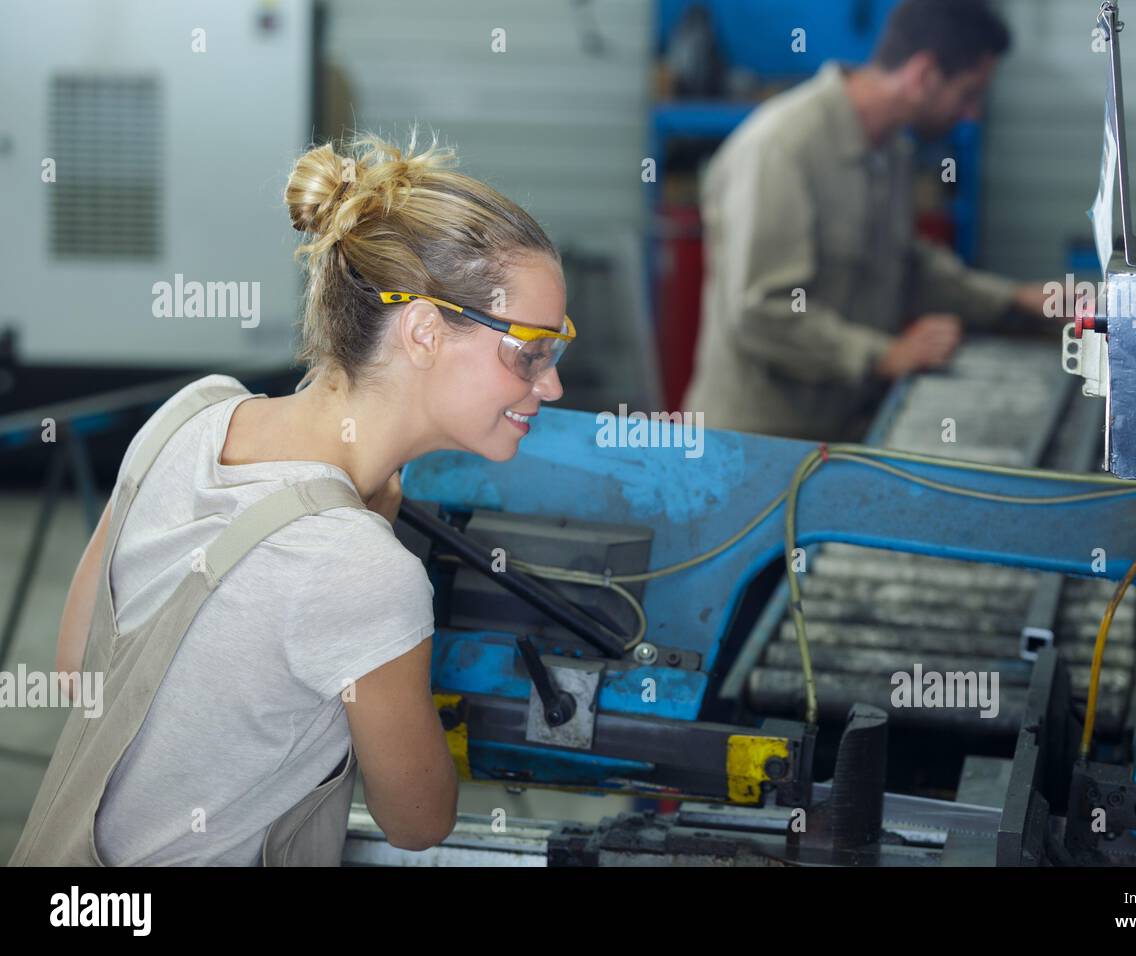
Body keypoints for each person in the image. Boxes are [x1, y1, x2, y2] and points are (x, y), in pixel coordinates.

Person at [10, 131, 575, 865]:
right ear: (425, 331)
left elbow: (79, 673)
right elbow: (418, 822)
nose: (552, 383)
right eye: (531, 349)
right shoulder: (362, 568)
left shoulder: (191, 414)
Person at [682, 0, 1050, 442]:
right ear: (924, 74)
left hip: (837, 433)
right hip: (755, 448)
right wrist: (883, 355)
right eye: (968, 93)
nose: (971, 113)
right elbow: (762, 312)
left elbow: (906, 267)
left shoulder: (890, 151)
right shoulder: (782, 149)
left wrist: (1018, 299)